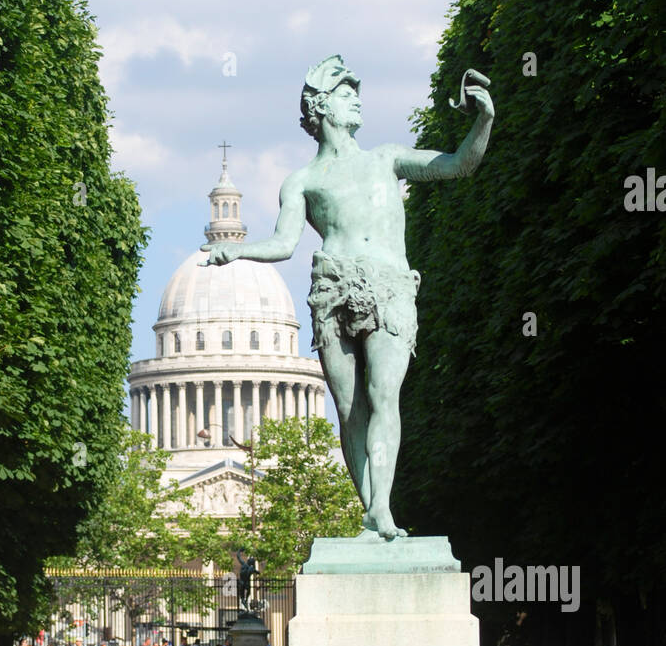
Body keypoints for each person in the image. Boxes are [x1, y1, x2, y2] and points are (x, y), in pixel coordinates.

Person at [202, 55, 494, 539]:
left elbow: (459, 165)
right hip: (332, 289)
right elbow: (283, 244)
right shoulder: (302, 181)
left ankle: (382, 506)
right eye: (344, 92)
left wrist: (484, 118)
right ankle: (372, 509)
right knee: (349, 409)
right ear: (320, 107)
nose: (356, 98)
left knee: (384, 395)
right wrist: (234, 253)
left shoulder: (388, 159)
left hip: (387, 285)